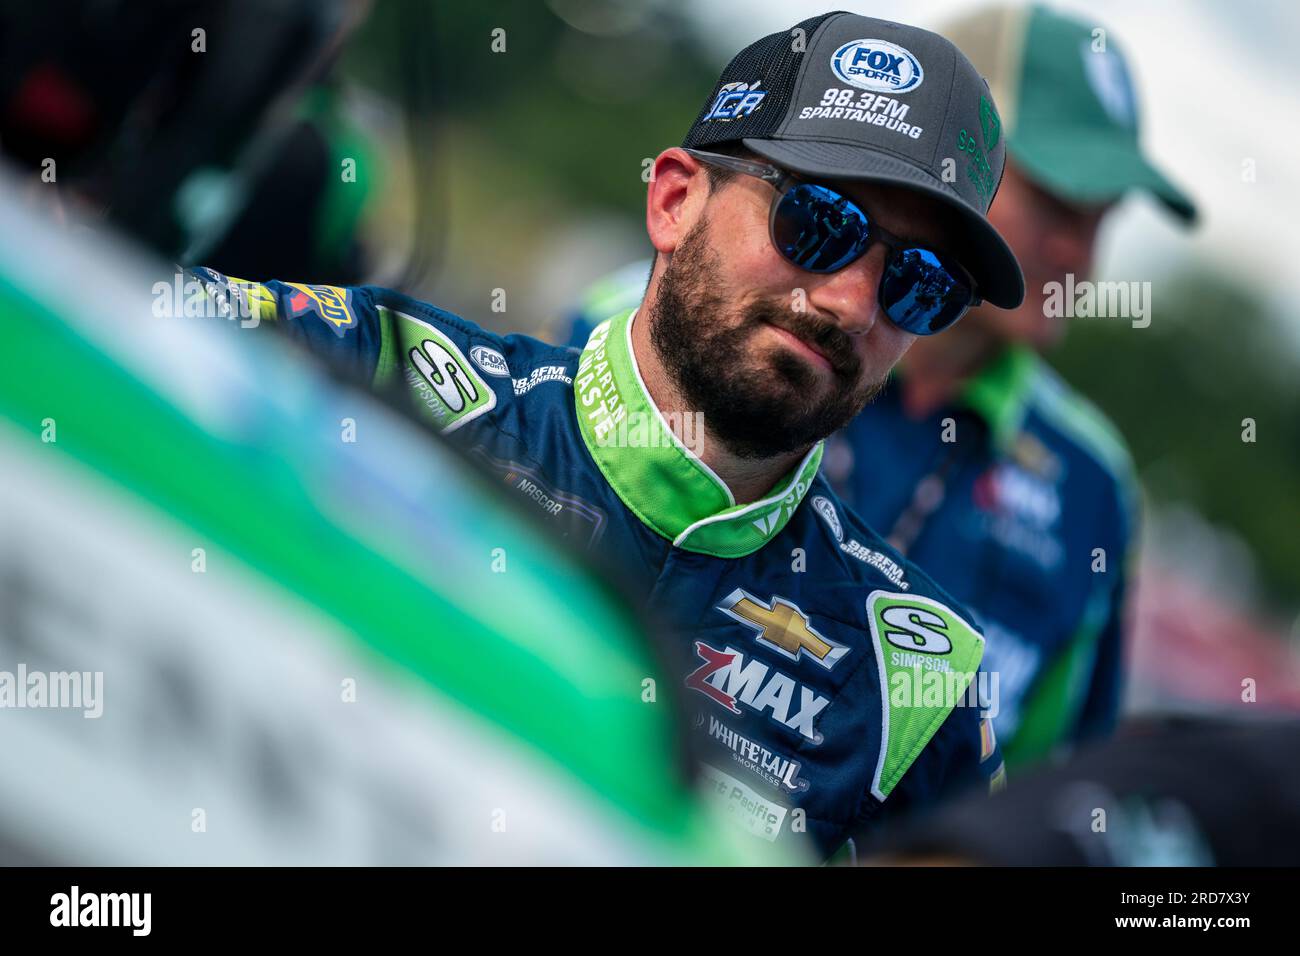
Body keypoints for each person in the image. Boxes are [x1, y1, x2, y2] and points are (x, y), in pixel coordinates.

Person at [193, 12, 1024, 857]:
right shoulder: (380, 370)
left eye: (920, 285)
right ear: (673, 200)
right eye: (819, 224)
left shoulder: (921, 680)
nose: (852, 303)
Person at [559, 4, 1196, 771]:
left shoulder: (1094, 485)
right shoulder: (657, 323)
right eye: (1058, 203)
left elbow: (1045, 798)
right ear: (952, 159)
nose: (1081, 255)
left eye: (1104, 219)